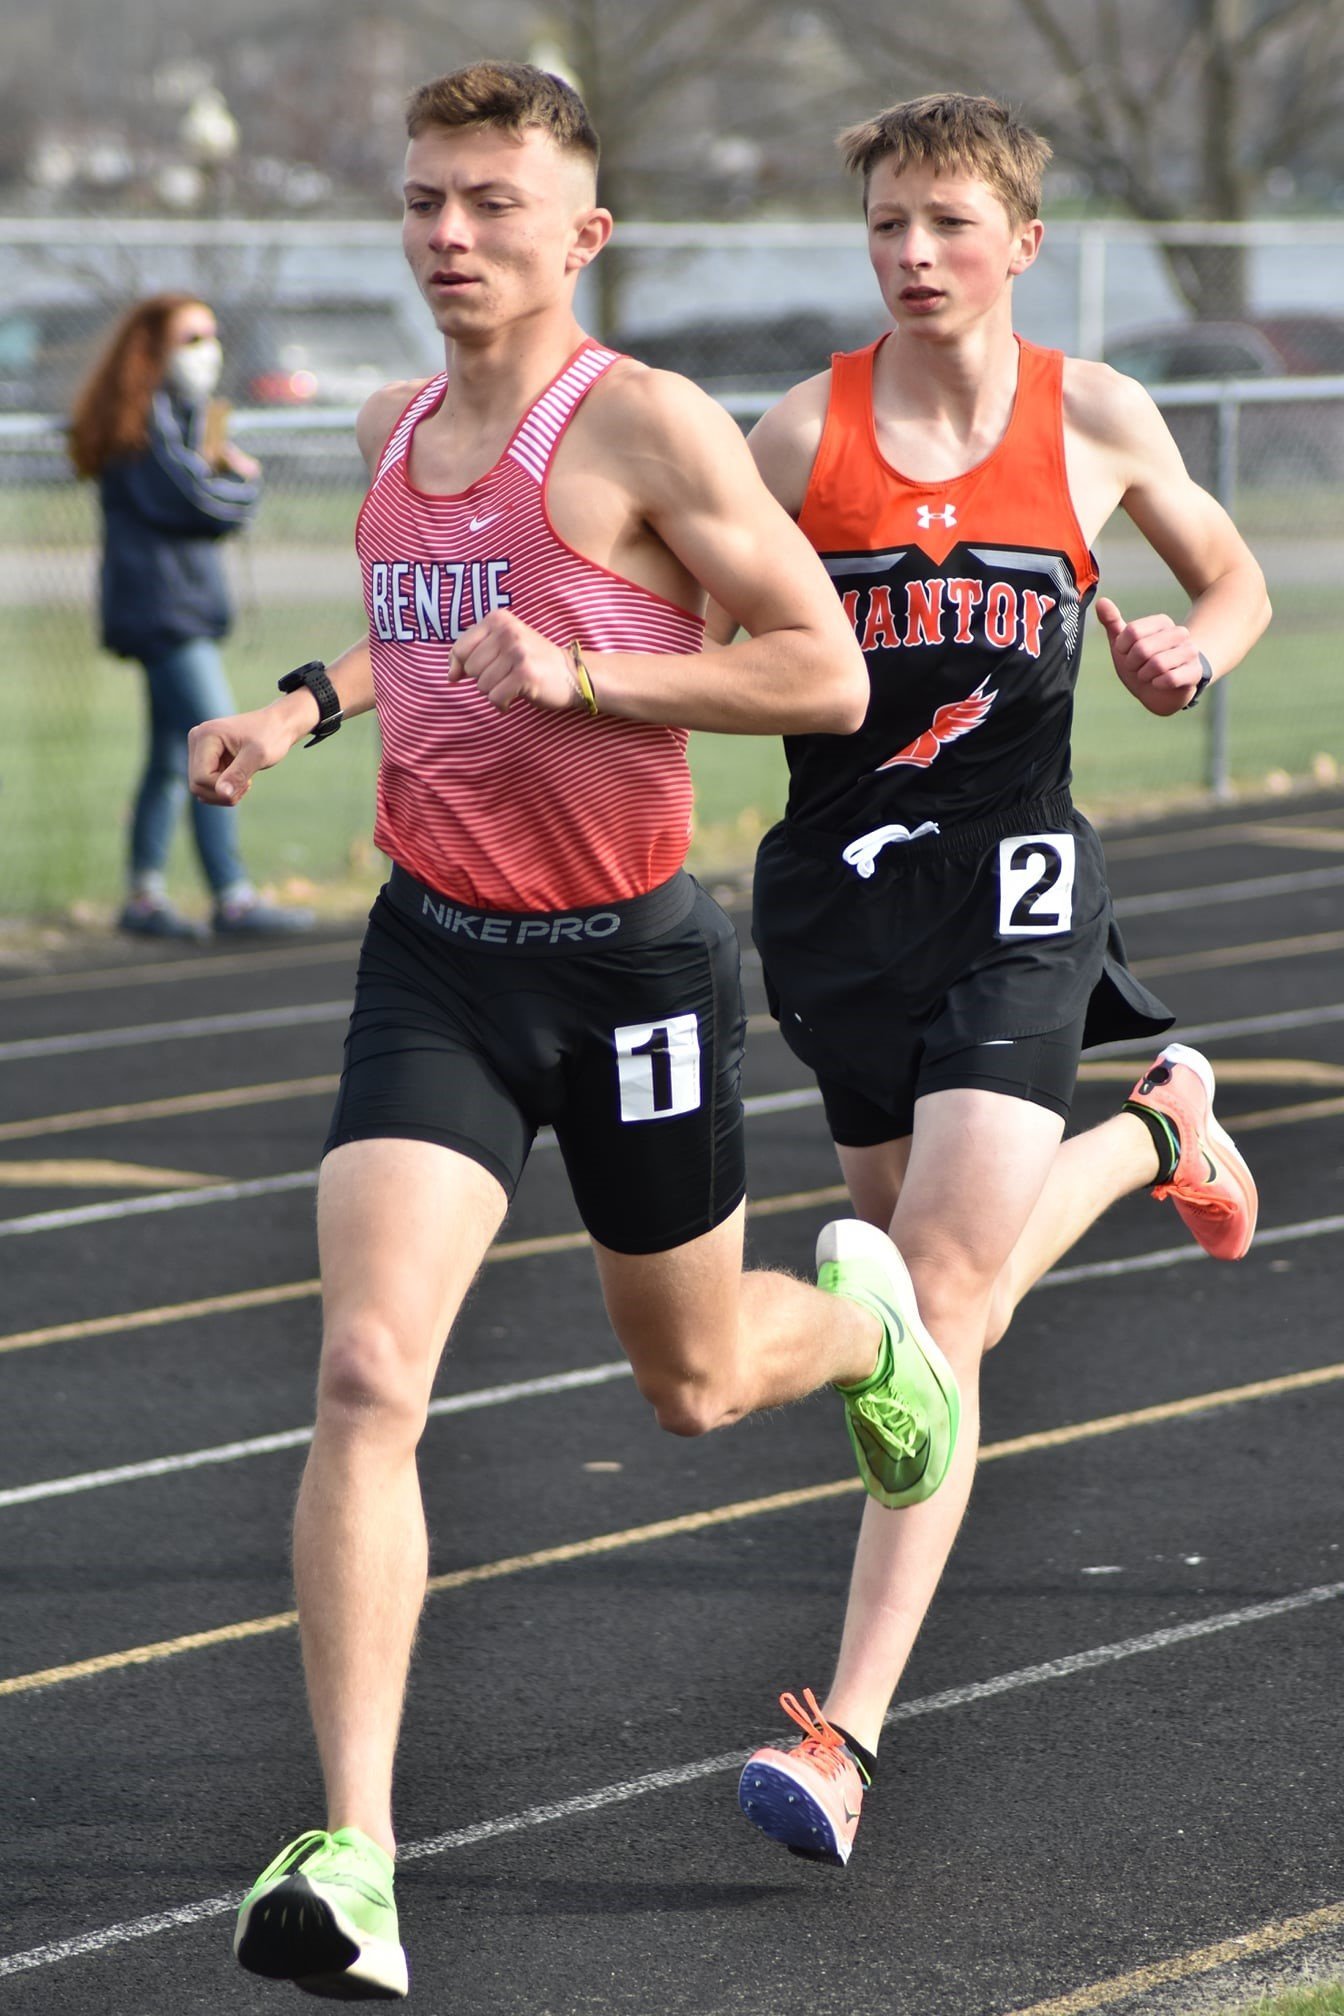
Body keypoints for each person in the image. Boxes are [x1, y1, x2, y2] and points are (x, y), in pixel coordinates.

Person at [186, 63, 964, 2002]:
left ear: (578, 231)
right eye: (426, 200)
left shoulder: (646, 425)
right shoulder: (386, 428)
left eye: (492, 204)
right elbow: (435, 613)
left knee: (691, 1387)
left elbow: (821, 668)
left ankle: (872, 1331)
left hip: (628, 968)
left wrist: (596, 676)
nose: (451, 235)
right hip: (434, 959)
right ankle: (352, 1854)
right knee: (368, 1370)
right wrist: (304, 704)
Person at [724, 92, 1270, 1869]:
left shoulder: (1090, 415)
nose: (912, 255)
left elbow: (1229, 573)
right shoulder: (795, 431)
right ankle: (1150, 1133)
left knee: (933, 1302)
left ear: (1020, 243)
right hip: (835, 900)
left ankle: (842, 1737)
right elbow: (679, 608)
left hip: (1020, 885)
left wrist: (1198, 648)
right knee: (918, 1305)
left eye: (947, 225)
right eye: (885, 224)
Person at [68, 293, 314, 939]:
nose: (207, 350)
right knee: (221, 742)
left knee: (164, 757)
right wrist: (247, 481)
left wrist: (224, 468)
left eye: (210, 335)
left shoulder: (180, 417)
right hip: (163, 615)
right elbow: (200, 503)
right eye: (191, 338)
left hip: (177, 609)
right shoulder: (143, 424)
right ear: (153, 349)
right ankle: (233, 897)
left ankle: (143, 898)